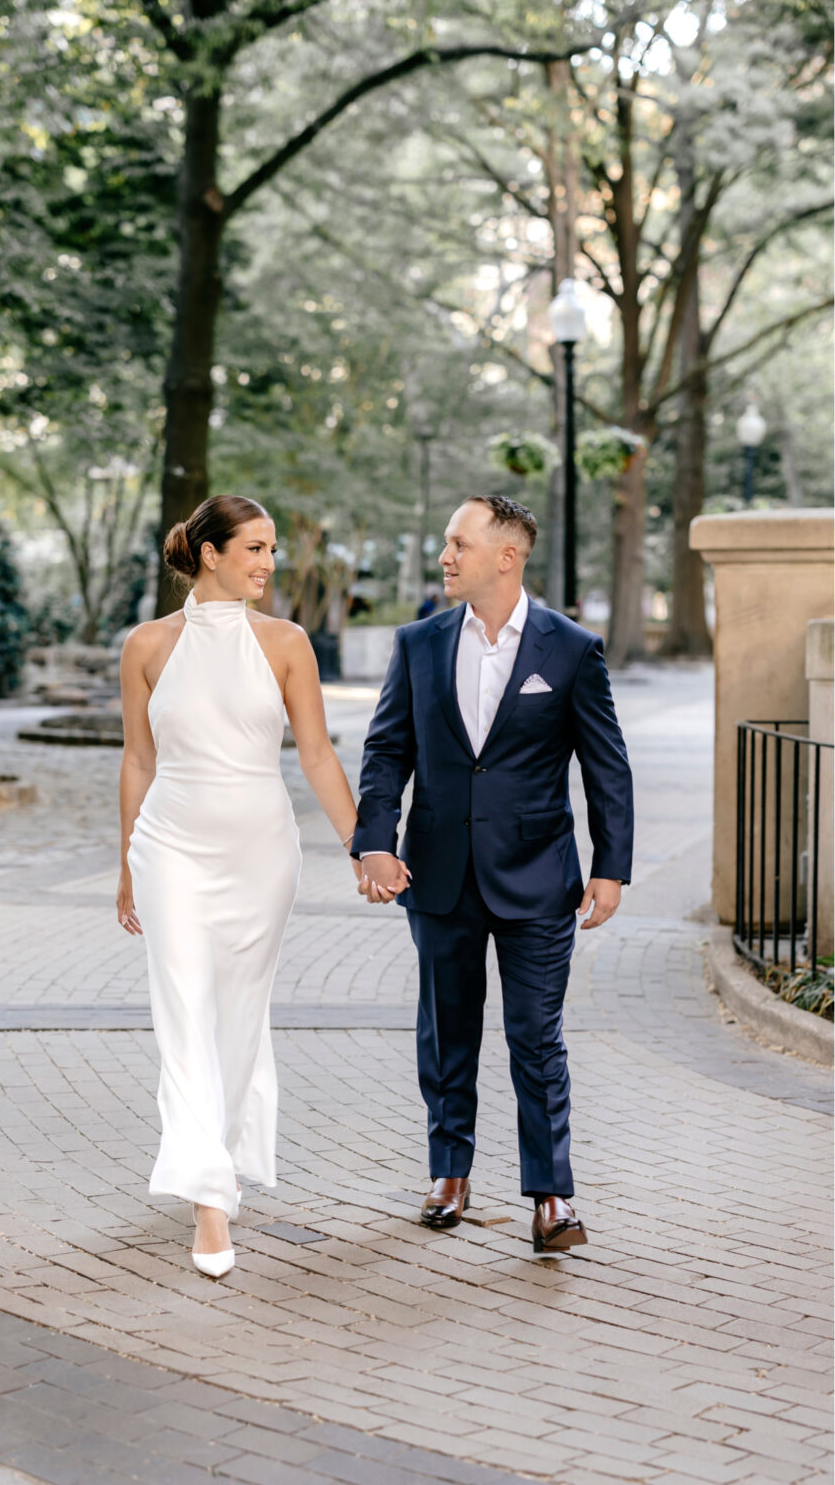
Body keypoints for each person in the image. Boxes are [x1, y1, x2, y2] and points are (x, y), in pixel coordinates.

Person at [352, 495, 633, 1253]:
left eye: (458, 543)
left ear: (506, 556)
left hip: (539, 876)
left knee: (536, 1035)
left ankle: (552, 1194)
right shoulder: (418, 644)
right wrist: (374, 842)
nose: (445, 556)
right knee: (446, 1030)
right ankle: (450, 1172)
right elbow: (386, 755)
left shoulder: (570, 648)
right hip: (438, 873)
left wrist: (613, 866)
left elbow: (606, 764)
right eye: (446, 543)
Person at [117, 495, 361, 1278]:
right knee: (183, 1013)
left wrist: (365, 846)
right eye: (255, 548)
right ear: (210, 552)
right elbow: (138, 760)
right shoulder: (148, 646)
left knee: (238, 1018)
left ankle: (214, 1160)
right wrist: (126, 863)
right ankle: (209, 1207)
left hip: (262, 853)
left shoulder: (287, 644)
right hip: (171, 849)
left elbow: (317, 755)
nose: (268, 563)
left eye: (272, 550)